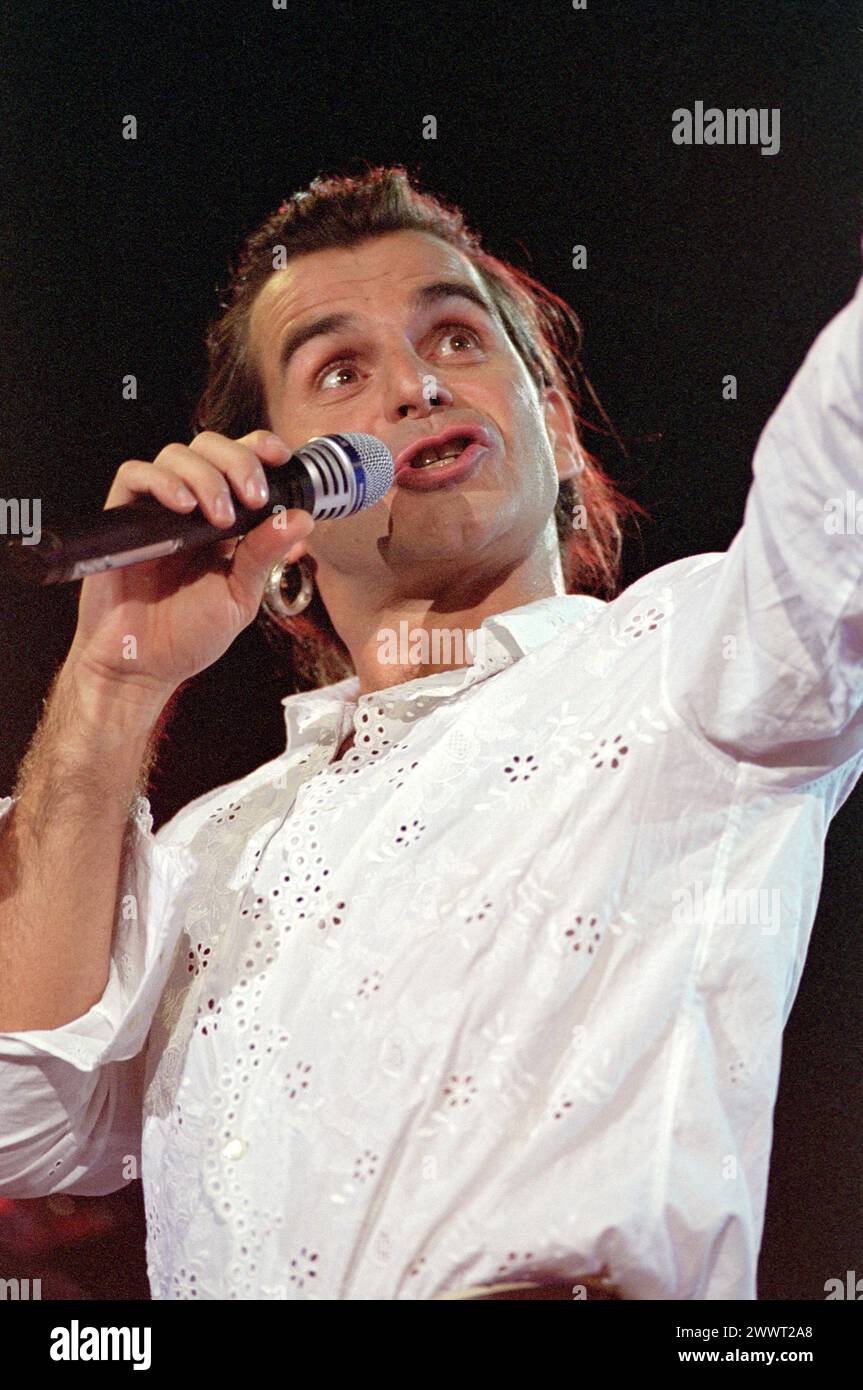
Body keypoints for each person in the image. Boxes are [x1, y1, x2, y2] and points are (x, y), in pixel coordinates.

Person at [0, 165, 861, 1301]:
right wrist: (111, 686)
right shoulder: (211, 850)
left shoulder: (689, 666)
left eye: (455, 338)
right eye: (339, 368)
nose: (413, 384)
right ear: (280, 519)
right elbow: (20, 1125)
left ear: (549, 422)